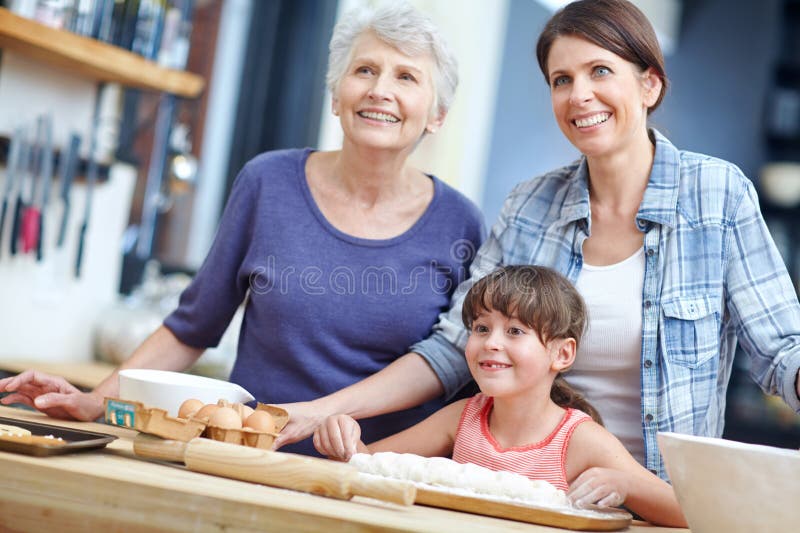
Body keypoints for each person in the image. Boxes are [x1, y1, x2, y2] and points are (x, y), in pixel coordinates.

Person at [277, 0, 800, 477]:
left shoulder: (717, 196)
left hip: (661, 502)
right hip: (532, 493)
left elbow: (781, 351)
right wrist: (324, 411)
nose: (580, 95)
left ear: (650, 85)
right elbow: (455, 347)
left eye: (600, 71)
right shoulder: (531, 205)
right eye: (561, 79)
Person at [0, 2, 484, 456]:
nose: (380, 89)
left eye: (406, 77)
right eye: (364, 70)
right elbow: (193, 325)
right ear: (336, 96)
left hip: (374, 475)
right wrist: (97, 400)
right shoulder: (267, 182)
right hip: (247, 459)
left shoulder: (460, 222)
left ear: (437, 115)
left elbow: (457, 366)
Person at [314, 266, 686, 527]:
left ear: (562, 354)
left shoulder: (580, 440)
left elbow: (688, 512)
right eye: (481, 328)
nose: (491, 343)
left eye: (514, 331)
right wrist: (343, 437)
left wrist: (625, 484)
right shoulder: (462, 418)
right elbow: (366, 466)